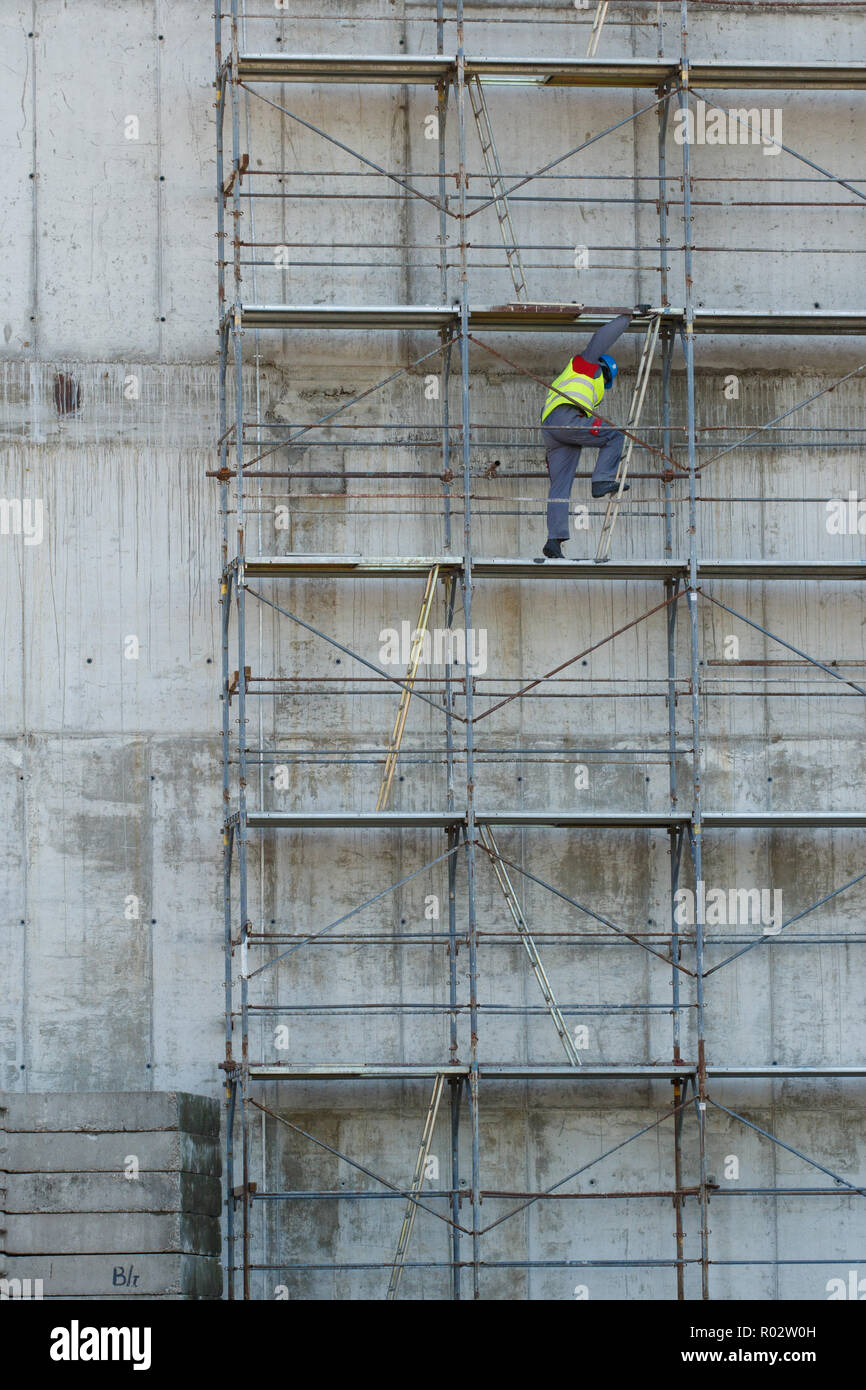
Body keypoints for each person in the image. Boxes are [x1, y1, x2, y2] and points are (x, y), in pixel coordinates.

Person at [540, 305, 650, 559]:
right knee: (615, 434)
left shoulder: (577, 383)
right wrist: (628, 317)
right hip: (565, 419)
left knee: (560, 486)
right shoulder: (586, 365)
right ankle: (602, 480)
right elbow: (601, 338)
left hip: (553, 428)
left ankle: (554, 540)